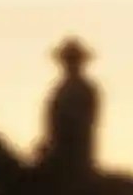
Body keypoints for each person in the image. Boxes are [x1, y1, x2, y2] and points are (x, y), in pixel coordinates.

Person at [37, 36, 100, 180]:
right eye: (67, 60)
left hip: (75, 155)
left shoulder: (85, 89)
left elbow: (81, 125)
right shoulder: (60, 89)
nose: (69, 64)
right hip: (56, 151)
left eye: (72, 60)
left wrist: (56, 146)